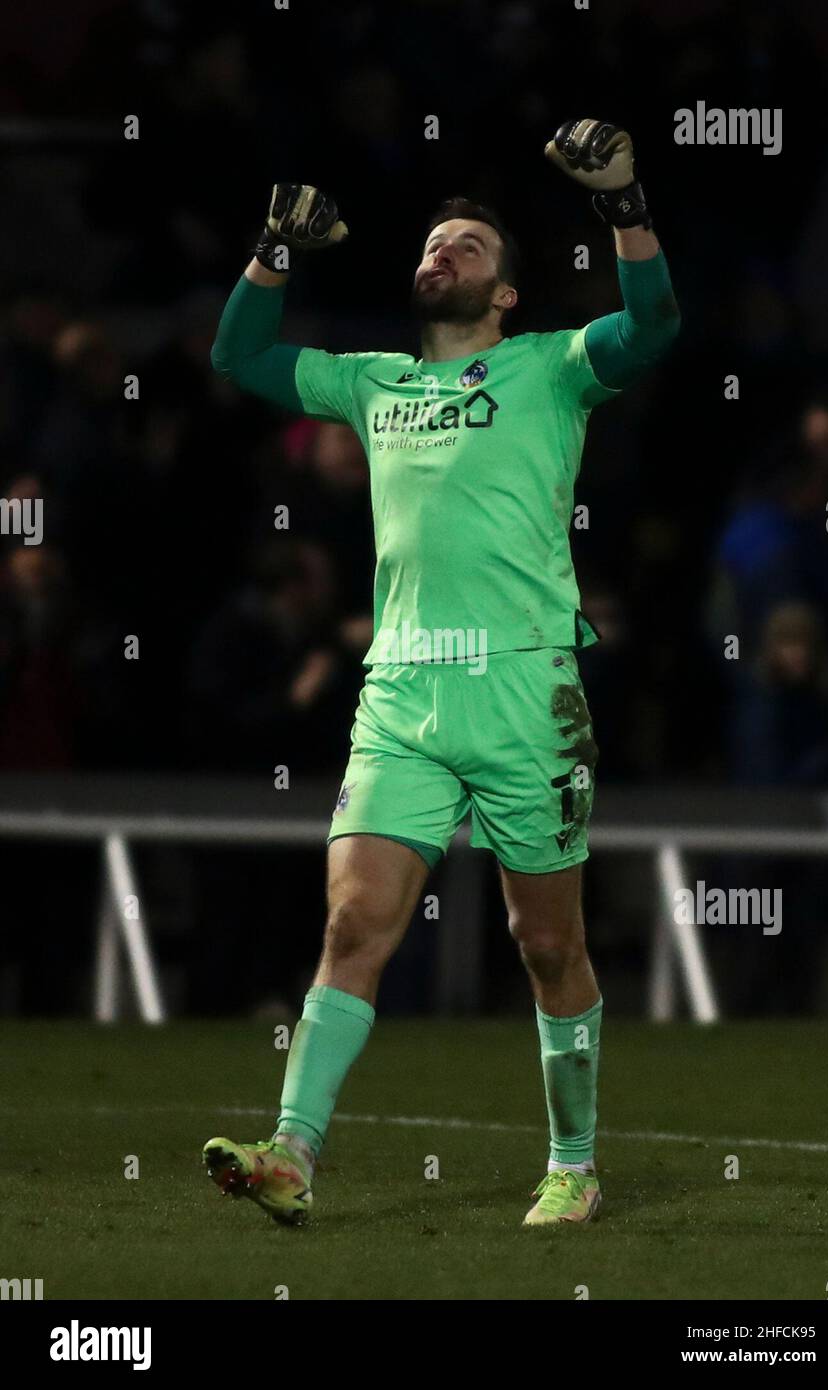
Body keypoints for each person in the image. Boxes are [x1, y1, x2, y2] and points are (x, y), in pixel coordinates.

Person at [202, 119, 680, 1227]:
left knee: (544, 940)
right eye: (432, 243)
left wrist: (623, 205)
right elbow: (237, 358)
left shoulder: (549, 366)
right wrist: (273, 249)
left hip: (525, 687)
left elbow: (654, 327)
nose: (443, 254)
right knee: (353, 926)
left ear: (507, 293)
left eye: (467, 245)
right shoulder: (372, 383)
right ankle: (291, 1152)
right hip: (403, 690)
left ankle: (573, 1162)